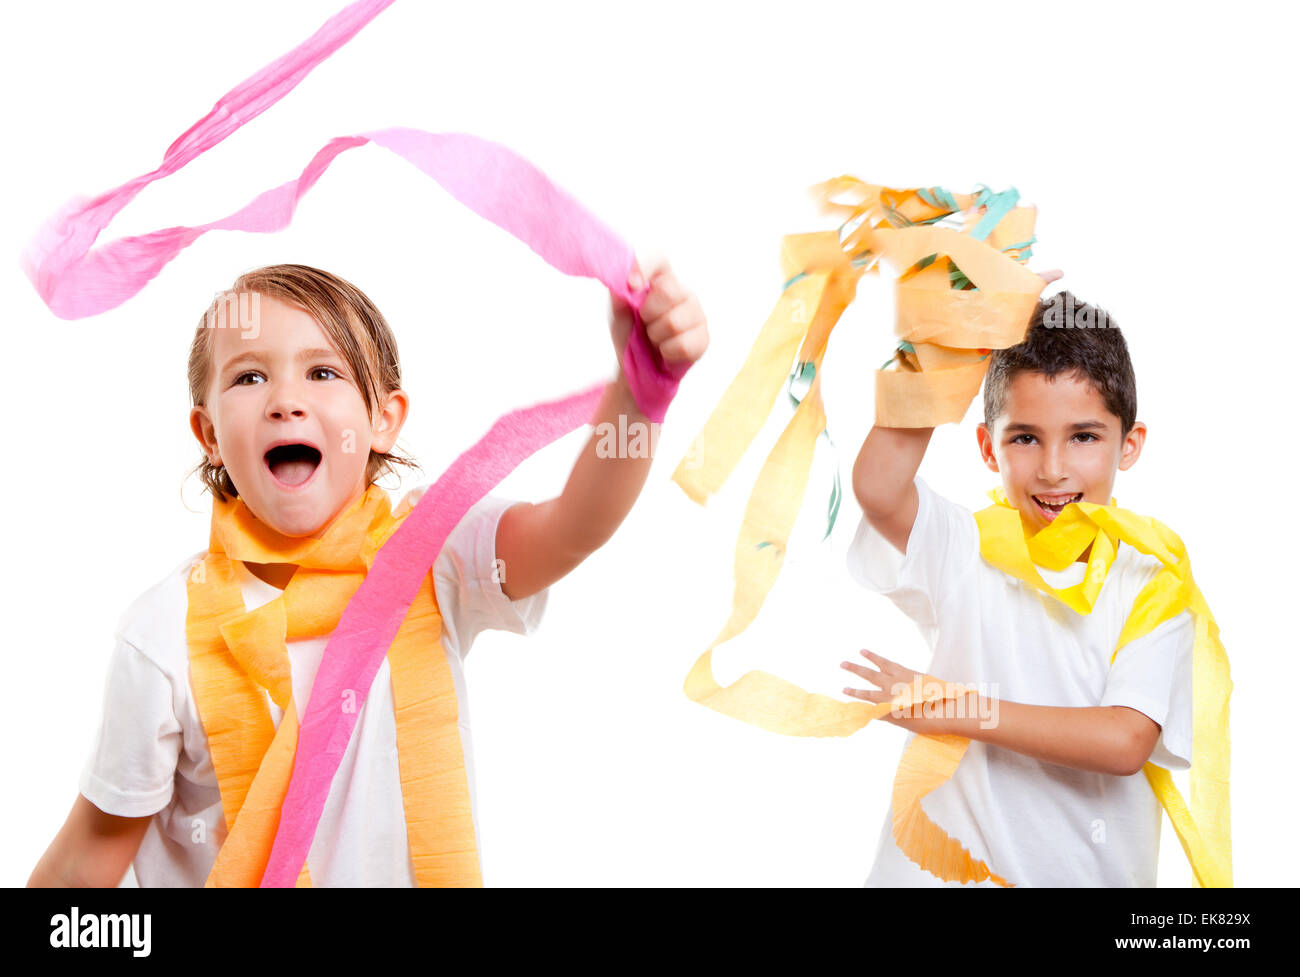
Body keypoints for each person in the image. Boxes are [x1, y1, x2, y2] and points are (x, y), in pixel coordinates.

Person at [29, 260, 708, 887]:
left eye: (322, 373)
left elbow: (572, 528)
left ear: (384, 419)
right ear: (208, 435)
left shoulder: (432, 557)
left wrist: (638, 399)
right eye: (249, 376)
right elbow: (92, 848)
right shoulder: (161, 634)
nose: (285, 401)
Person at [841, 288, 1203, 887]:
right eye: (1025, 437)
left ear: (1129, 444)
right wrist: (940, 343)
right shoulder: (966, 549)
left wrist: (959, 709)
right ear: (988, 447)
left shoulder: (1151, 582)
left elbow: (1124, 740)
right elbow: (879, 488)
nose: (1053, 468)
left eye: (1084, 436)